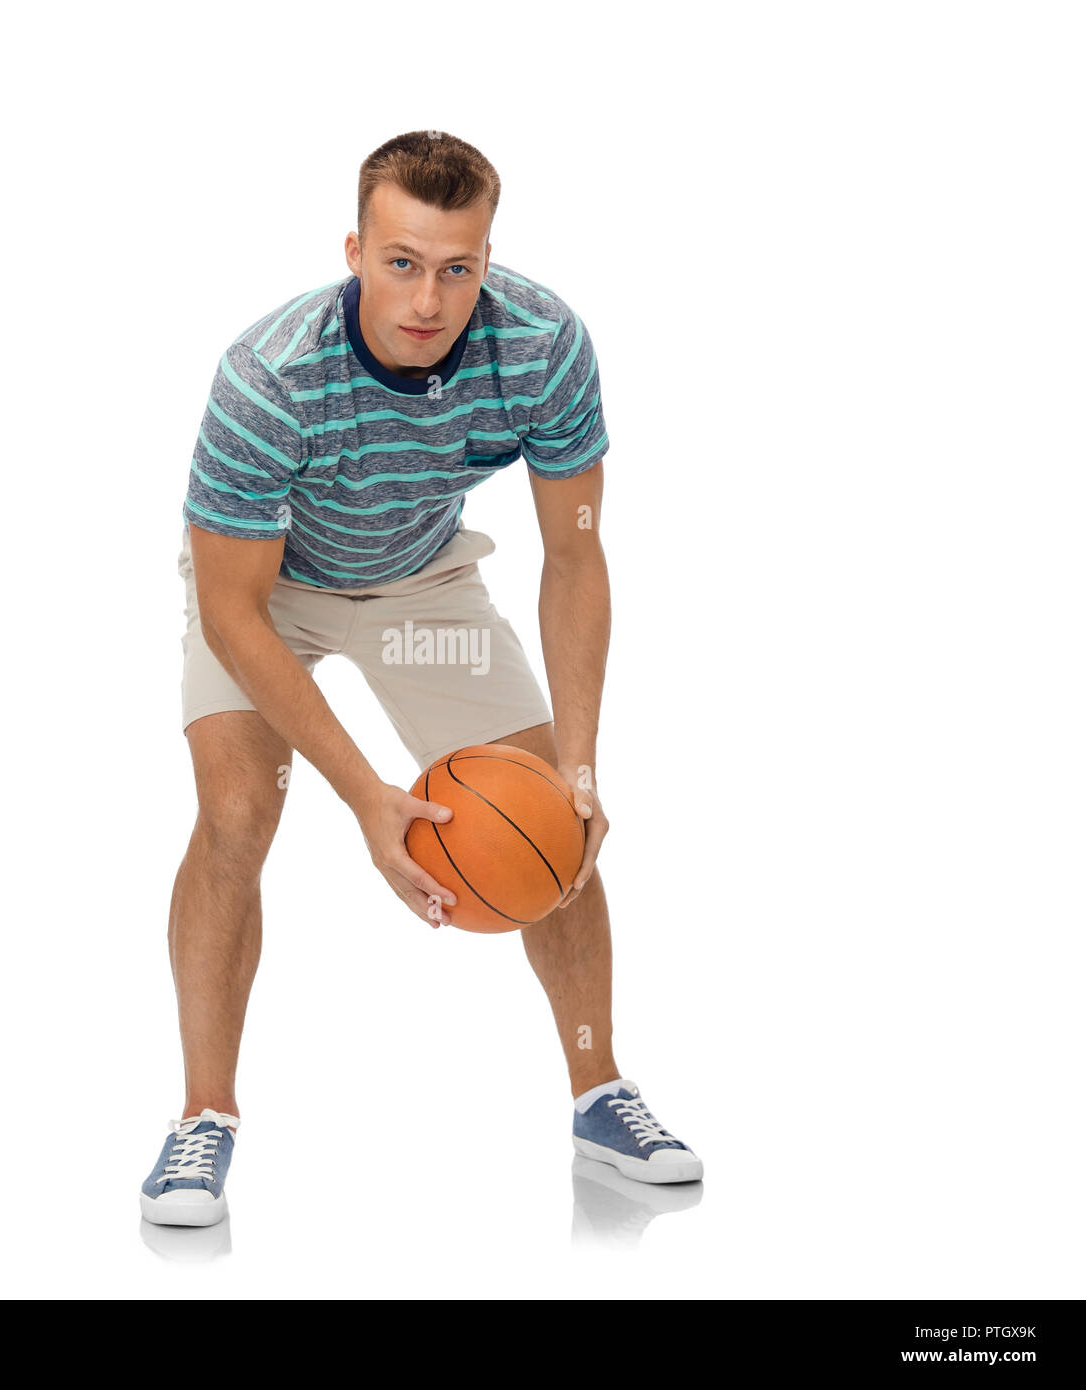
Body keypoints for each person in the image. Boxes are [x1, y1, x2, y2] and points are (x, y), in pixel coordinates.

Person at [140, 130, 703, 1228]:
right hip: (267, 592)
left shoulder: (541, 345)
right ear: (355, 248)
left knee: (554, 816)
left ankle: (599, 1090)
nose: (428, 297)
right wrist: (367, 797)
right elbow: (231, 612)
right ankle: (204, 1117)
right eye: (401, 261)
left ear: (488, 259)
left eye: (458, 266)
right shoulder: (269, 377)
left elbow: (574, 553)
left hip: (418, 589)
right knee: (237, 808)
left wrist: (578, 765)